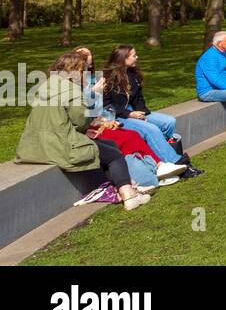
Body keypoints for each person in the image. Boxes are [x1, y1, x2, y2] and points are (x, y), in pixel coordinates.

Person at [15, 51, 152, 210]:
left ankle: (117, 187)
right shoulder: (72, 90)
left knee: (109, 145)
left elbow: (56, 119)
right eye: (84, 71)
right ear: (76, 71)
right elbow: (80, 121)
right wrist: (86, 124)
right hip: (58, 146)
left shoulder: (46, 86)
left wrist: (82, 131)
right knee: (114, 155)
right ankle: (129, 195)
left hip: (33, 145)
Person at [101, 44, 191, 166]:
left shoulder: (132, 74)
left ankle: (161, 152)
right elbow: (106, 105)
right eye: (134, 55)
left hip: (133, 111)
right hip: (117, 116)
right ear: (123, 58)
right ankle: (174, 160)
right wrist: (130, 114)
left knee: (169, 122)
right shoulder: (106, 78)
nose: (136, 57)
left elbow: (138, 98)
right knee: (151, 129)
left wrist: (143, 114)